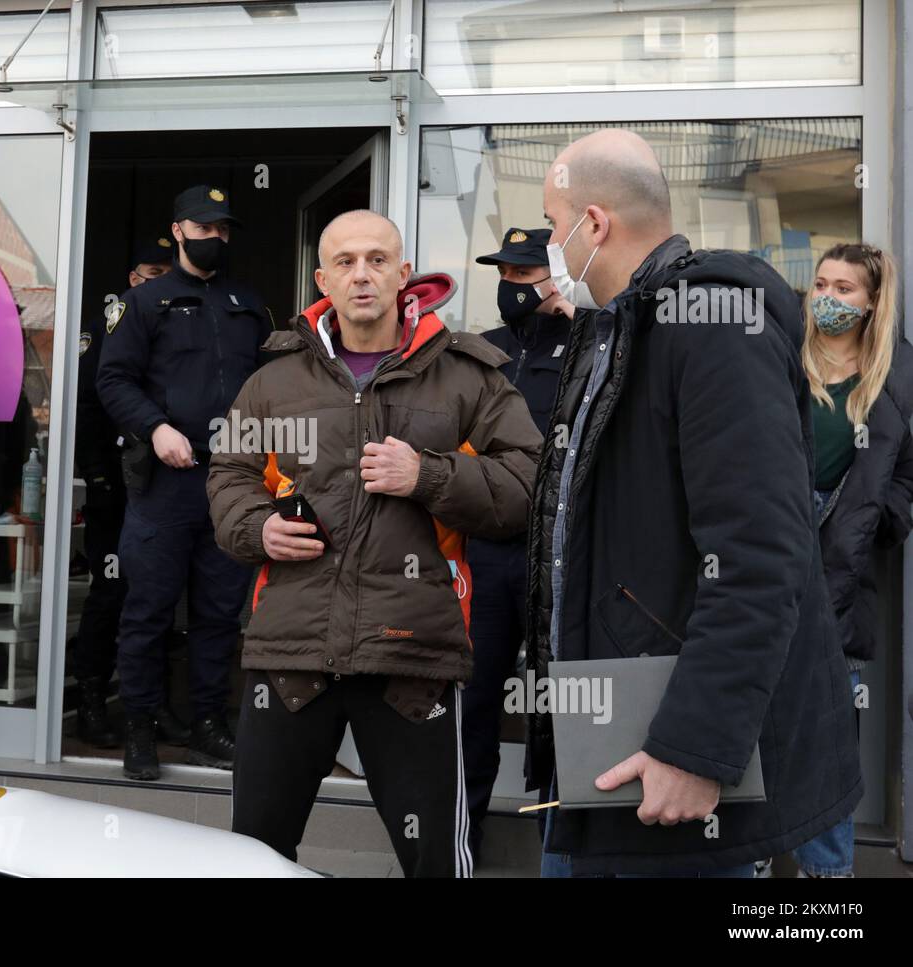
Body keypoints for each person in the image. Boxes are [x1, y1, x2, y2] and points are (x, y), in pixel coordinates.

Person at [526, 129, 863, 877]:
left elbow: (759, 554)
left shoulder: (711, 324)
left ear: (593, 224)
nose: (550, 248)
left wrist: (694, 744)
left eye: (553, 225)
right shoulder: (609, 329)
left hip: (670, 764)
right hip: (603, 741)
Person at [208, 209, 542, 877]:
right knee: (253, 858)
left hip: (412, 658)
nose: (362, 274)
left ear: (405, 275)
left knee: (434, 862)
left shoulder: (469, 375)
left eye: (378, 259)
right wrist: (258, 527)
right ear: (322, 277)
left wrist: (430, 474)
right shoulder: (272, 380)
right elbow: (230, 475)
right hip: (291, 655)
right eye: (347, 261)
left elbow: (528, 481)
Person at [95, 186, 274, 780]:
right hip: (166, 479)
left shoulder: (248, 303)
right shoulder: (144, 303)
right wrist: (156, 428)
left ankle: (206, 726)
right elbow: (114, 380)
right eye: (204, 228)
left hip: (232, 481)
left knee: (220, 615)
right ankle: (140, 730)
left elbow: (271, 387)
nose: (215, 238)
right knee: (146, 610)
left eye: (223, 229)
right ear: (178, 231)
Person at [789, 242, 913, 876]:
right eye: (821, 284)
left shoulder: (896, 376)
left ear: (871, 302)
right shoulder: (782, 354)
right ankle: (744, 858)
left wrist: (878, 522)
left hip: (841, 566)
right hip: (766, 553)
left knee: (829, 739)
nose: (828, 299)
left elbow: (907, 478)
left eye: (845, 289)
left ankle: (826, 886)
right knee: (747, 725)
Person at [463, 227, 573, 861]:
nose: (512, 288)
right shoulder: (483, 349)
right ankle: (459, 848)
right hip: (487, 553)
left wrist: (573, 315)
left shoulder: (588, 341)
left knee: (557, 713)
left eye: (525, 277)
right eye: (504, 276)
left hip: (556, 556)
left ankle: (558, 853)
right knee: (473, 702)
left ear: (552, 279)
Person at [72, 237, 175, 748]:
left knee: (162, 595)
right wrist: (97, 473)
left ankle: (153, 708)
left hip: (165, 481)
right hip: (113, 484)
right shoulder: (109, 325)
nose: (160, 283)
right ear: (132, 279)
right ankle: (89, 700)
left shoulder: (179, 324)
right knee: (111, 592)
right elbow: (88, 404)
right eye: (150, 273)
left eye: (166, 273)